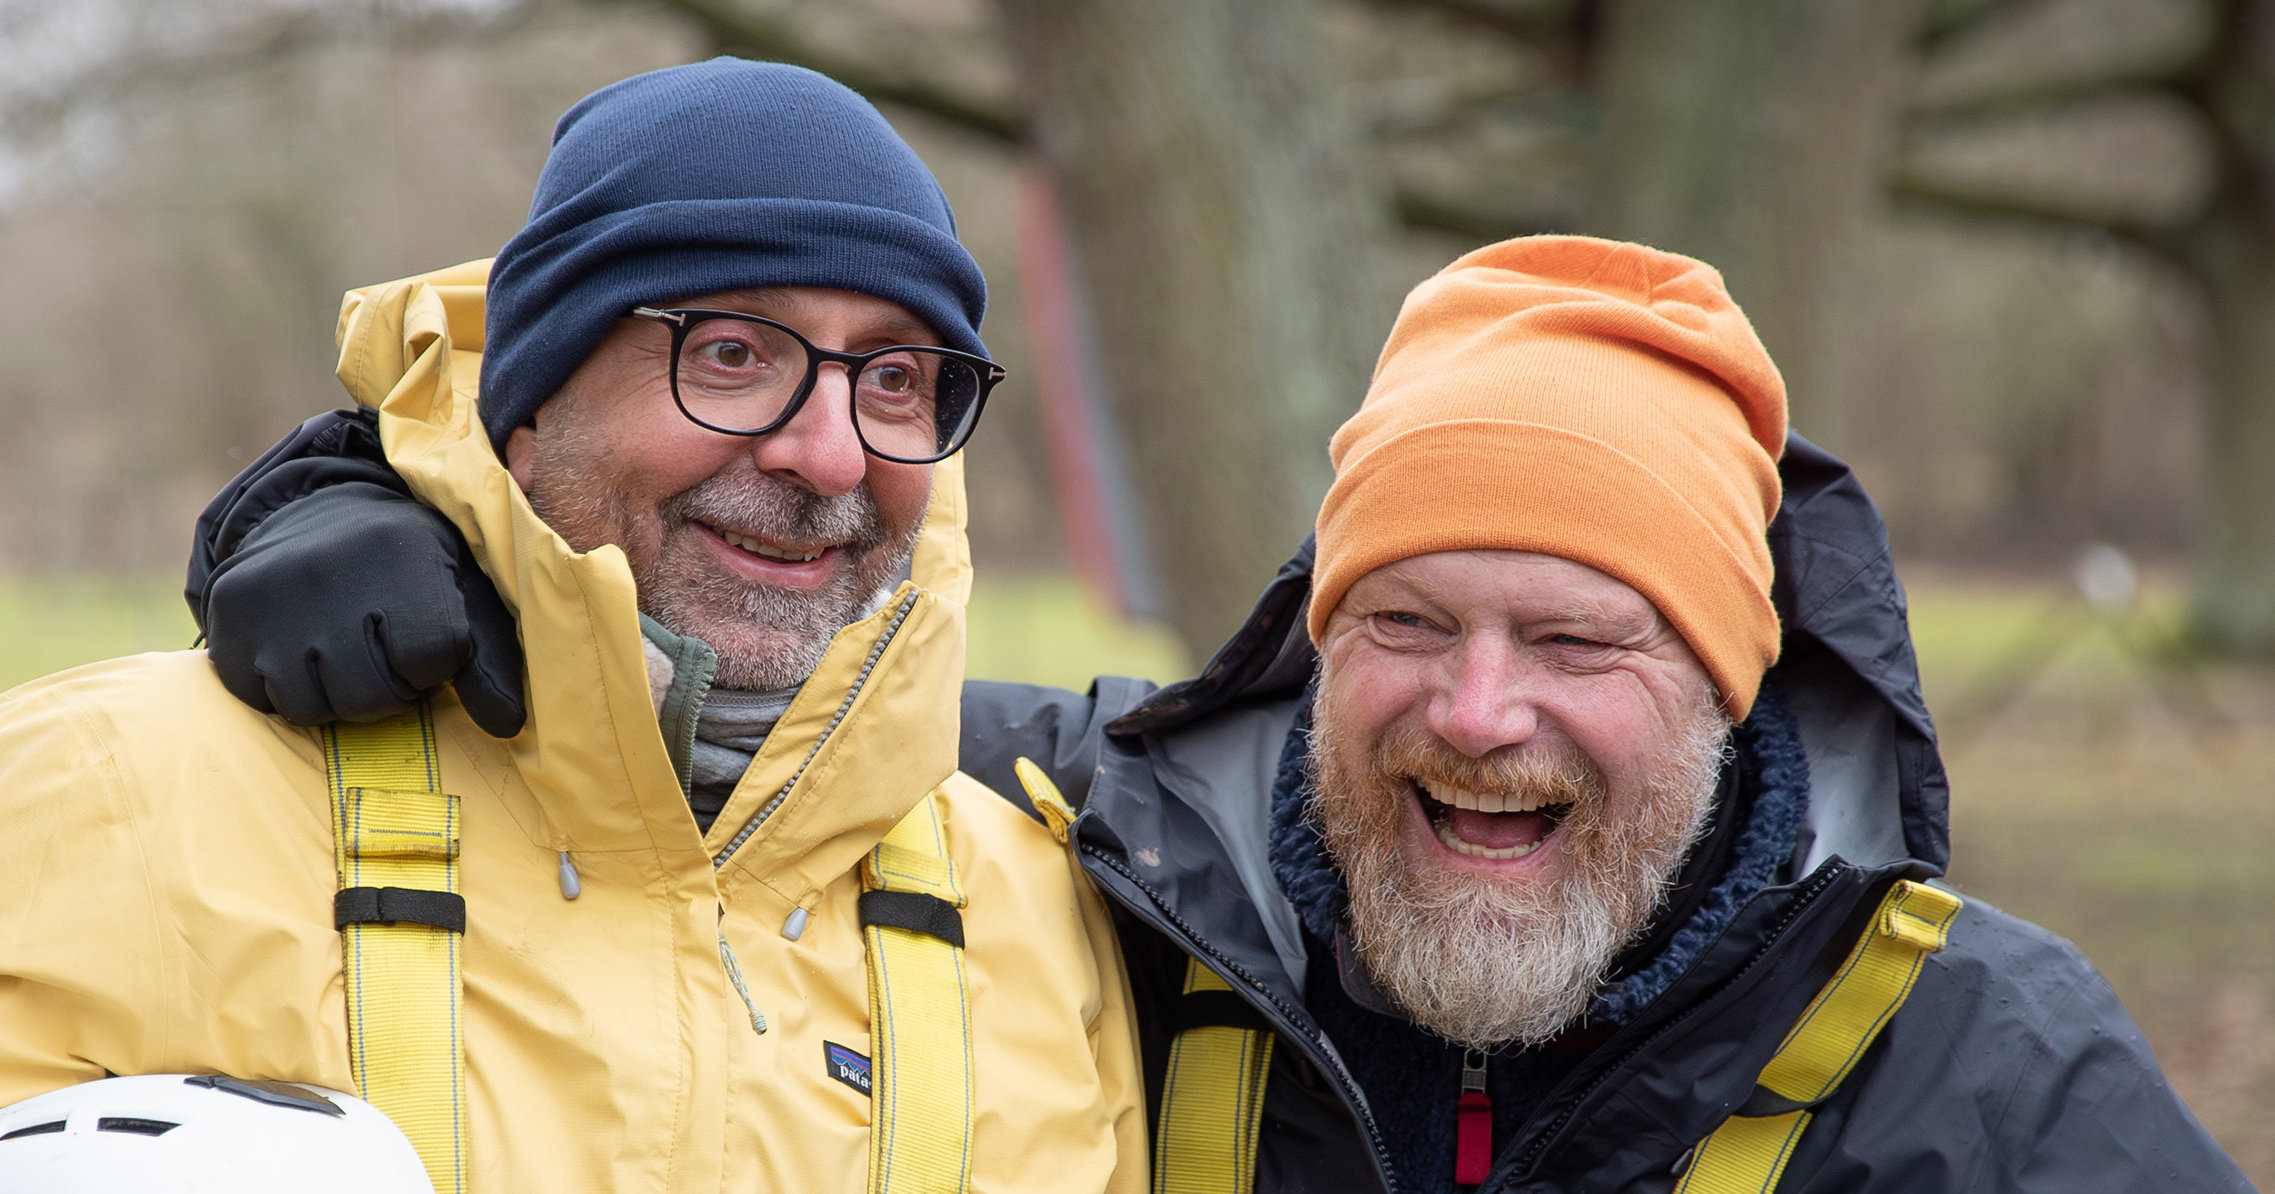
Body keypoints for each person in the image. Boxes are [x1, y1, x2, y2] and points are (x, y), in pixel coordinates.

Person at [174, 237, 2251, 1192]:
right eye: (1408, 619)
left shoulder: (1996, 1081)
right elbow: (696, 719)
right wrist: (369, 496)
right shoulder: (1118, 859)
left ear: (1728, 677)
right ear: (1311, 638)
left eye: (1577, 640)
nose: (1477, 711)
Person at [0, 59, 1144, 1194]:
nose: (830, 454)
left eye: (893, 377)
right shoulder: (103, 796)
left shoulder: (1034, 916)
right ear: (531, 416)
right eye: (733, 354)